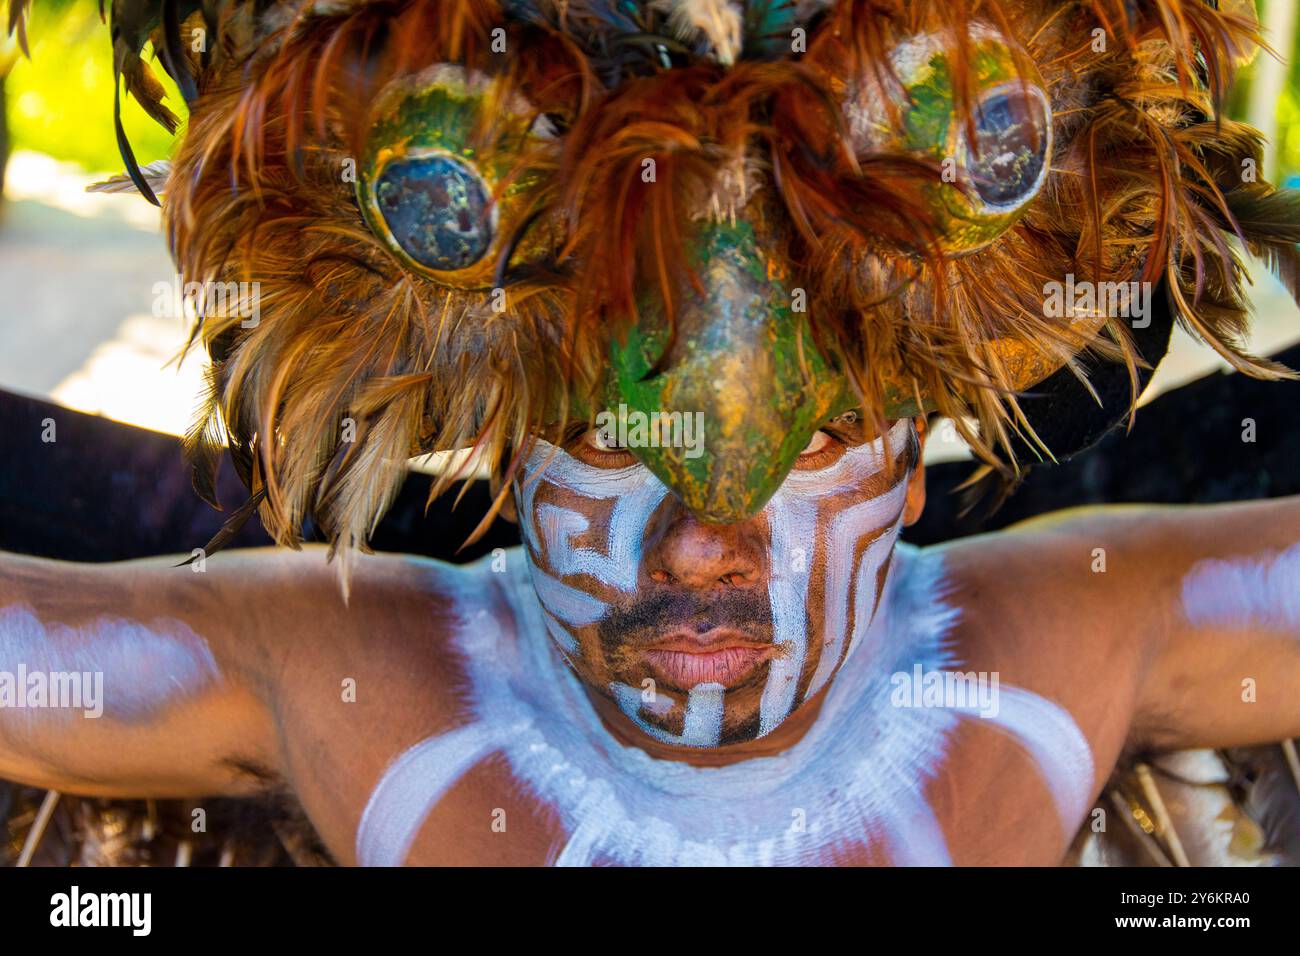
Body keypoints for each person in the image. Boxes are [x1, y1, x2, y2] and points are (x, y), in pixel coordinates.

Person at [2, 0, 1298, 865]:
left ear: (911, 472)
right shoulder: (368, 675)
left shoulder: (1050, 649)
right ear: (512, 461)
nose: (706, 545)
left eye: (818, 442)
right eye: (618, 440)